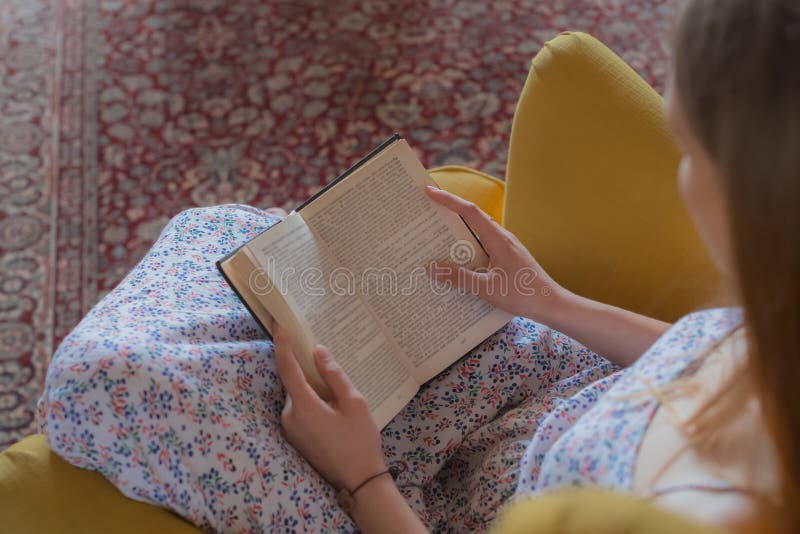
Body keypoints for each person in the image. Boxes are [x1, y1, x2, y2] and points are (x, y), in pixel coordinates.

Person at [38, 0, 798, 532]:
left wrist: (360, 479)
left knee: (104, 374)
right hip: (537, 389)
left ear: (751, 200)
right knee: (225, 248)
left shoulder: (679, 520)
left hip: (417, 507)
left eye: (690, 150)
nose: (677, 173)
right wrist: (548, 300)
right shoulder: (780, 316)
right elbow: (701, 355)